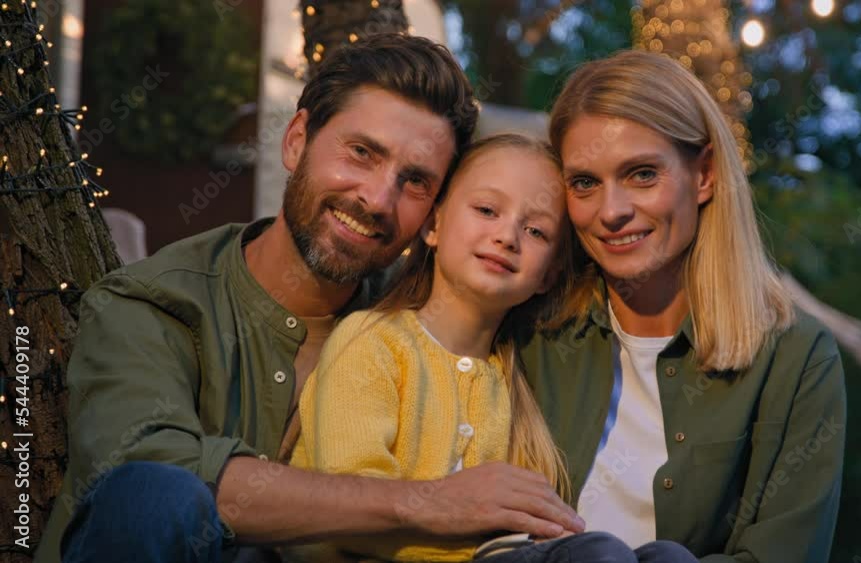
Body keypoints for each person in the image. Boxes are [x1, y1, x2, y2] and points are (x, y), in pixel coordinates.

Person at [36, 34, 583, 563]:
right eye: (362, 153)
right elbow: (154, 474)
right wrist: (433, 503)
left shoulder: (426, 322)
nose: (376, 199)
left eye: (414, 181)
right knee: (158, 495)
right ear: (296, 140)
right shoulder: (150, 305)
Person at [283, 133, 695, 563]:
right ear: (433, 224)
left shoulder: (514, 382)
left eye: (535, 231)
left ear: (549, 275)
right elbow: (352, 512)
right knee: (597, 555)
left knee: (669, 557)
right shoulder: (372, 342)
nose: (507, 236)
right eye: (486, 210)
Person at [517, 51, 847, 563]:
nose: (612, 212)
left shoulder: (795, 357)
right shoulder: (531, 332)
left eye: (642, 174)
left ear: (705, 174)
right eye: (585, 182)